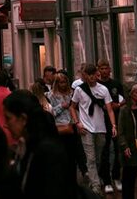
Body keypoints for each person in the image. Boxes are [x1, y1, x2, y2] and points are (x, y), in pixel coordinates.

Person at [4, 89, 75, 198]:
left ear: (23, 119)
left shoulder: (47, 151)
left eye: (8, 118)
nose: (6, 124)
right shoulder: (25, 145)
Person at [70, 62, 116, 195]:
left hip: (100, 128)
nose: (91, 78)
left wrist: (113, 125)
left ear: (97, 75)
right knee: (90, 158)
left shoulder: (103, 90)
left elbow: (110, 110)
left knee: (98, 156)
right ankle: (96, 186)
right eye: (88, 75)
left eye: (93, 75)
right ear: (85, 75)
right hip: (86, 128)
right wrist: (77, 122)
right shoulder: (79, 90)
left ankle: (94, 178)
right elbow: (72, 106)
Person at [98, 58, 124, 194]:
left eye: (105, 68)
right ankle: (106, 180)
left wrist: (117, 105)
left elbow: (124, 100)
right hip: (101, 122)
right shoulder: (96, 85)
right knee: (105, 150)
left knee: (117, 149)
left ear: (110, 69)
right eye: (101, 68)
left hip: (116, 120)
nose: (104, 71)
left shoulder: (116, 84)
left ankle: (116, 177)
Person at [48, 71, 78, 181]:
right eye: (61, 82)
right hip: (60, 128)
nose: (63, 84)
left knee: (72, 156)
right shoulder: (51, 95)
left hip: (72, 126)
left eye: (65, 82)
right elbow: (50, 113)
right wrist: (61, 106)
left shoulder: (72, 93)